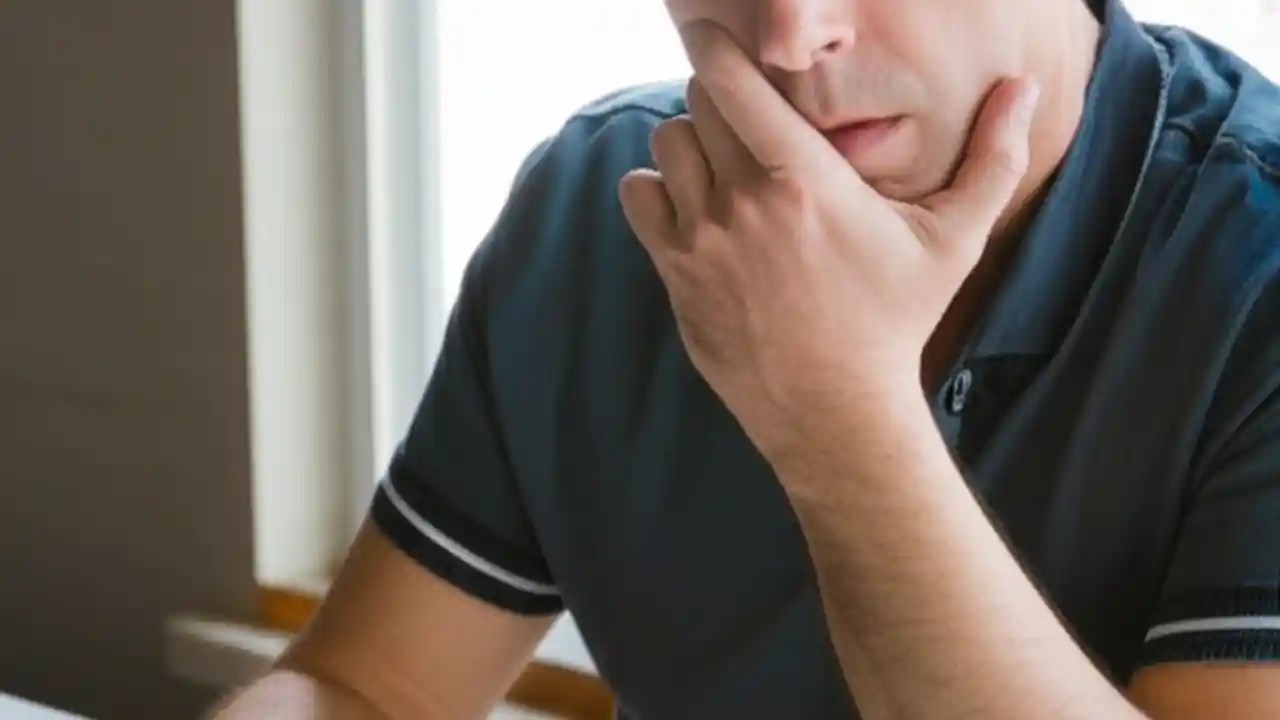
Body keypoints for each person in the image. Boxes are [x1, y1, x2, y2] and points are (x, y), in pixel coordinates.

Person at [214, 0, 1280, 717]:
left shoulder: (1256, 270)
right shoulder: (598, 211)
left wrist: (835, 408)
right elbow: (367, 688)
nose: (786, 35)